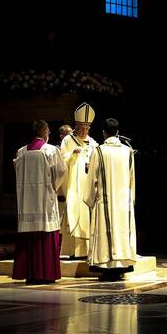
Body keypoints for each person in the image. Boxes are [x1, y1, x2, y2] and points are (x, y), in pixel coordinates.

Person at [12, 120, 66, 284]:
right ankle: (45, 274)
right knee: (46, 235)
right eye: (48, 132)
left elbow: (17, 170)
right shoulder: (51, 150)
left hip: (27, 202)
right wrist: (53, 188)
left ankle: (30, 273)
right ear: (44, 132)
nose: (48, 134)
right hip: (45, 201)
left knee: (29, 235)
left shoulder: (21, 152)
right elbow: (61, 171)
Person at [85, 117, 137, 279]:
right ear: (118, 132)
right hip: (123, 203)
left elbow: (91, 178)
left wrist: (90, 199)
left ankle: (107, 268)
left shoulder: (99, 151)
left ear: (103, 133)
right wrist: (131, 199)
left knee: (105, 234)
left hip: (104, 202)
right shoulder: (128, 151)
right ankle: (121, 266)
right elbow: (131, 178)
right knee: (122, 232)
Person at [58, 104, 97, 258]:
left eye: (87, 128)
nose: (84, 131)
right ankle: (71, 251)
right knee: (73, 213)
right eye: (81, 128)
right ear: (76, 126)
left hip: (87, 185)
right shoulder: (68, 140)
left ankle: (87, 251)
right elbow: (61, 160)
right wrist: (73, 155)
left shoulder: (92, 142)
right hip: (74, 185)